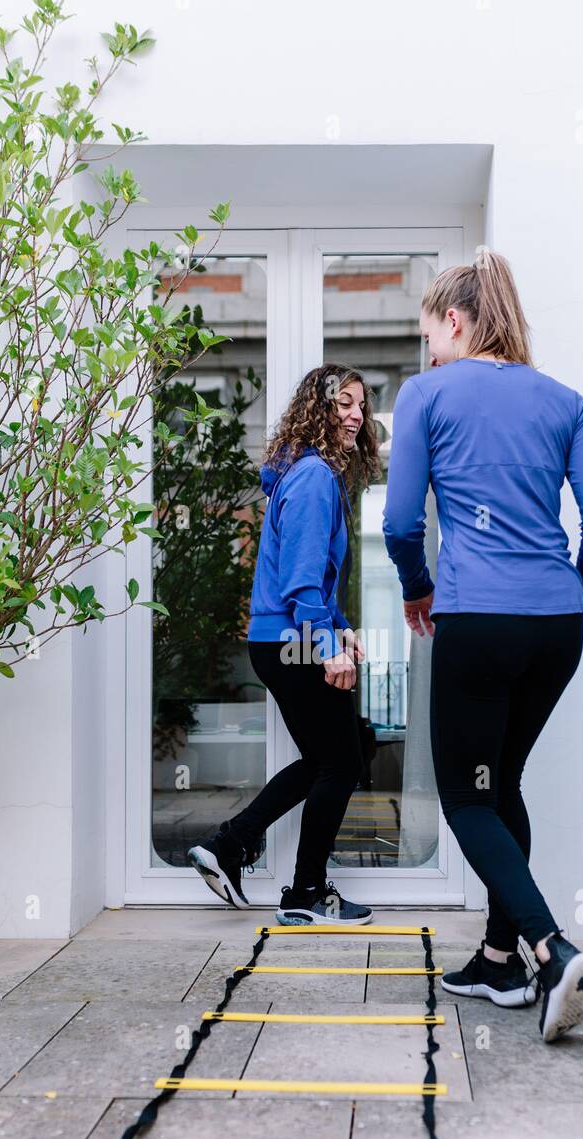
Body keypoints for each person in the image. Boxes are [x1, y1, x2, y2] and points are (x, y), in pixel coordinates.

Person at [382, 247, 583, 1043]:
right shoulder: (566, 401)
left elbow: (400, 522)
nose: (429, 353)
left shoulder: (426, 395)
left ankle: (551, 952)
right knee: (501, 779)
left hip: (477, 620)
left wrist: (417, 587)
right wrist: (570, 597)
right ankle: (497, 959)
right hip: (557, 627)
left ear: (455, 320)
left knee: (467, 796)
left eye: (431, 335)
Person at [187, 365, 380, 925]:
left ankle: (233, 845)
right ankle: (306, 892)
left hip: (283, 639)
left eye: (361, 405)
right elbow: (298, 583)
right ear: (317, 408)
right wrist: (328, 648)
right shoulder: (315, 477)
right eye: (343, 403)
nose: (355, 414)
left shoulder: (301, 474)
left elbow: (309, 579)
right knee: (343, 763)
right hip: (291, 641)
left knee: (329, 759)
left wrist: (340, 627)